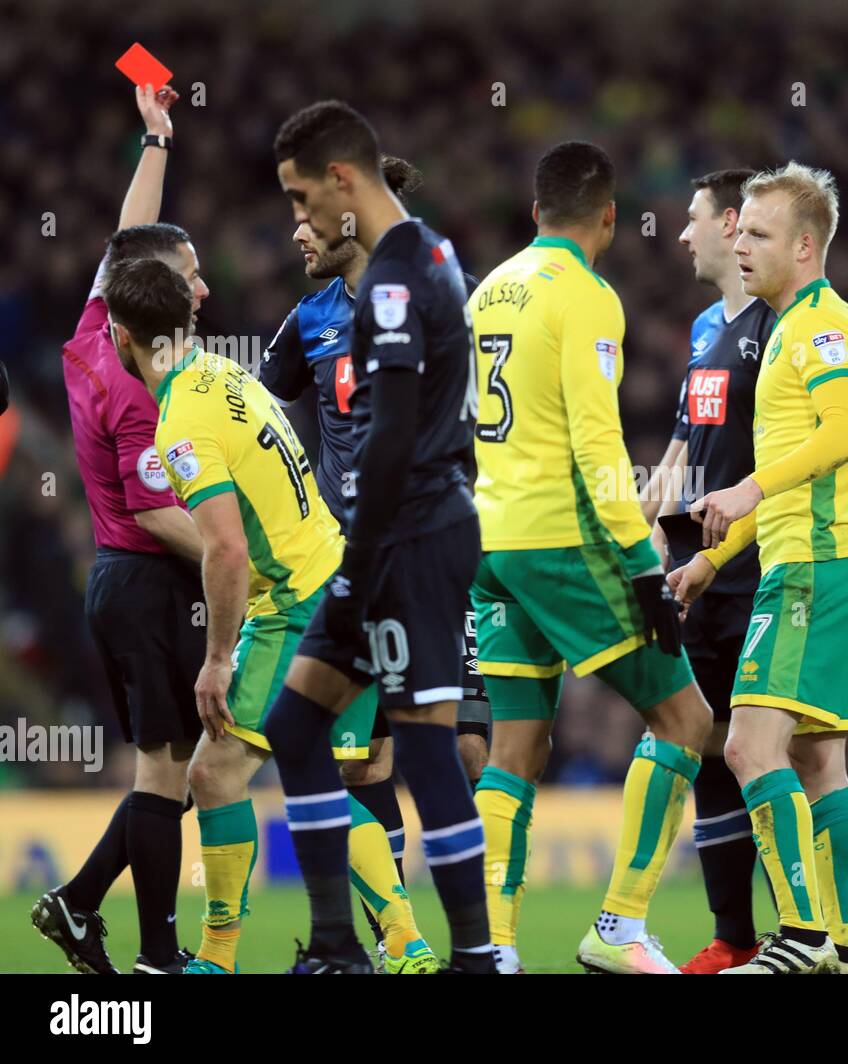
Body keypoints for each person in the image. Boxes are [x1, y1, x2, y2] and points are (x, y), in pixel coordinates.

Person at [105, 256, 435, 975]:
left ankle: (219, 960)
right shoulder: (226, 375)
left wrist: (218, 659)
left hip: (299, 606)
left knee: (215, 775)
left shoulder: (182, 424)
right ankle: (409, 948)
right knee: (323, 780)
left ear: (121, 335)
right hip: (344, 579)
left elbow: (225, 551)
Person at [468, 141, 712, 975]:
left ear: (535, 211)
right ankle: (618, 927)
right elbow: (597, 440)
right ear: (609, 217)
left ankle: (493, 948)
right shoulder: (587, 296)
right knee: (685, 719)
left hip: (490, 540)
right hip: (561, 541)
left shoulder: (487, 290)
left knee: (516, 749)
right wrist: (641, 563)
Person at [268, 100, 493, 973]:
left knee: (431, 749)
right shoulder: (431, 252)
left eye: (299, 198)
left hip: (410, 540)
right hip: (401, 536)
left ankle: (470, 954)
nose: (299, 219)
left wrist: (358, 567)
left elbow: (393, 432)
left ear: (341, 180)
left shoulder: (398, 277)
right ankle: (336, 946)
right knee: (298, 726)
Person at [671, 162, 848, 974]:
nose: (740, 243)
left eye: (759, 233)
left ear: (806, 246)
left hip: (813, 574)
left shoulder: (822, 327)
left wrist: (748, 484)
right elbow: (806, 480)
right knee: (813, 759)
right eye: (739, 230)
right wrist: (711, 559)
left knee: (745, 749)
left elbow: (844, 433)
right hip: (824, 562)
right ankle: (846, 943)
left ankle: (798, 937)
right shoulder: (790, 328)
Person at [31, 82, 207, 976]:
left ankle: (79, 904)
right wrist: (228, 550)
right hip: (145, 580)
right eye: (188, 277)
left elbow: (125, 244)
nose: (200, 287)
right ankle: (161, 957)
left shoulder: (98, 326)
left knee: (167, 769)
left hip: (122, 581)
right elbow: (152, 507)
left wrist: (157, 142)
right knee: (163, 773)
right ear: (158, 294)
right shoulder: (135, 392)